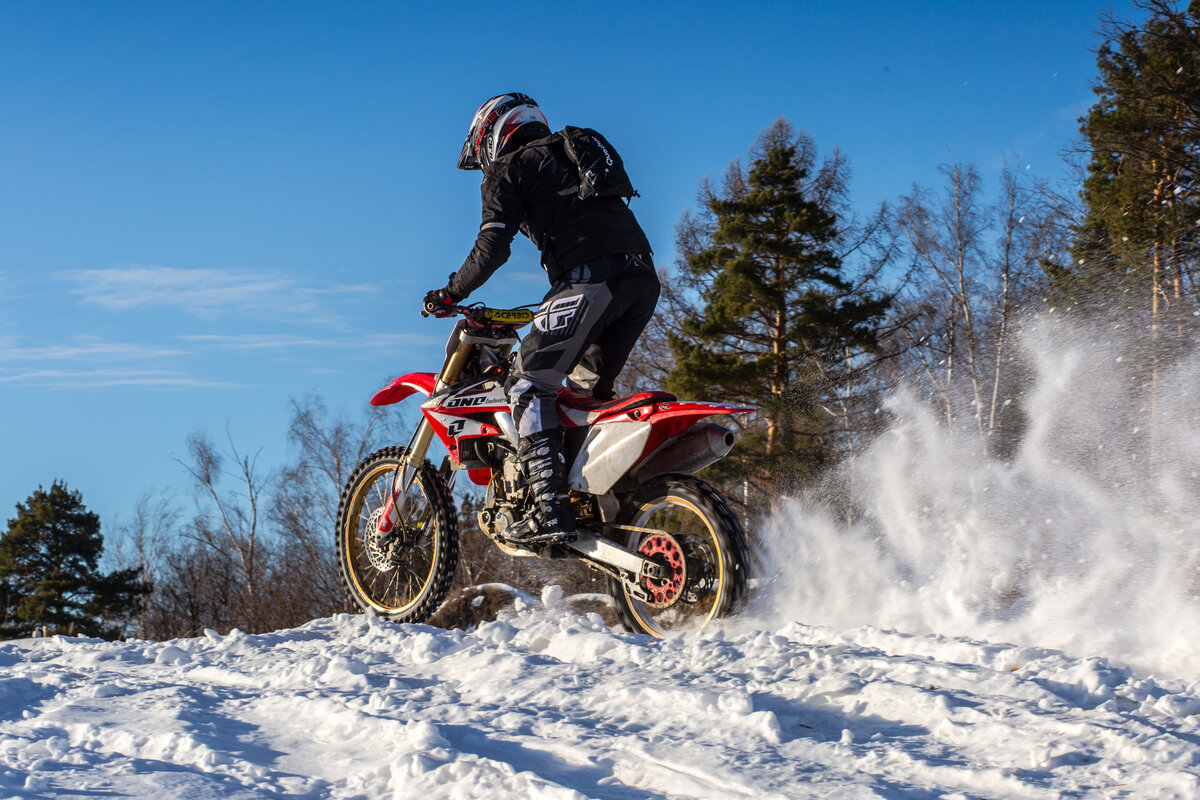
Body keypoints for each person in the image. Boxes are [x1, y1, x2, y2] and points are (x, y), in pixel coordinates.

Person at [423, 92, 660, 542]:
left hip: (589, 280)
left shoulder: (506, 170)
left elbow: (492, 247)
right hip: (641, 277)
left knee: (529, 384)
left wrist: (450, 292)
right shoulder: (570, 152)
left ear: (492, 134)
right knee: (587, 399)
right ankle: (606, 509)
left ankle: (548, 510)